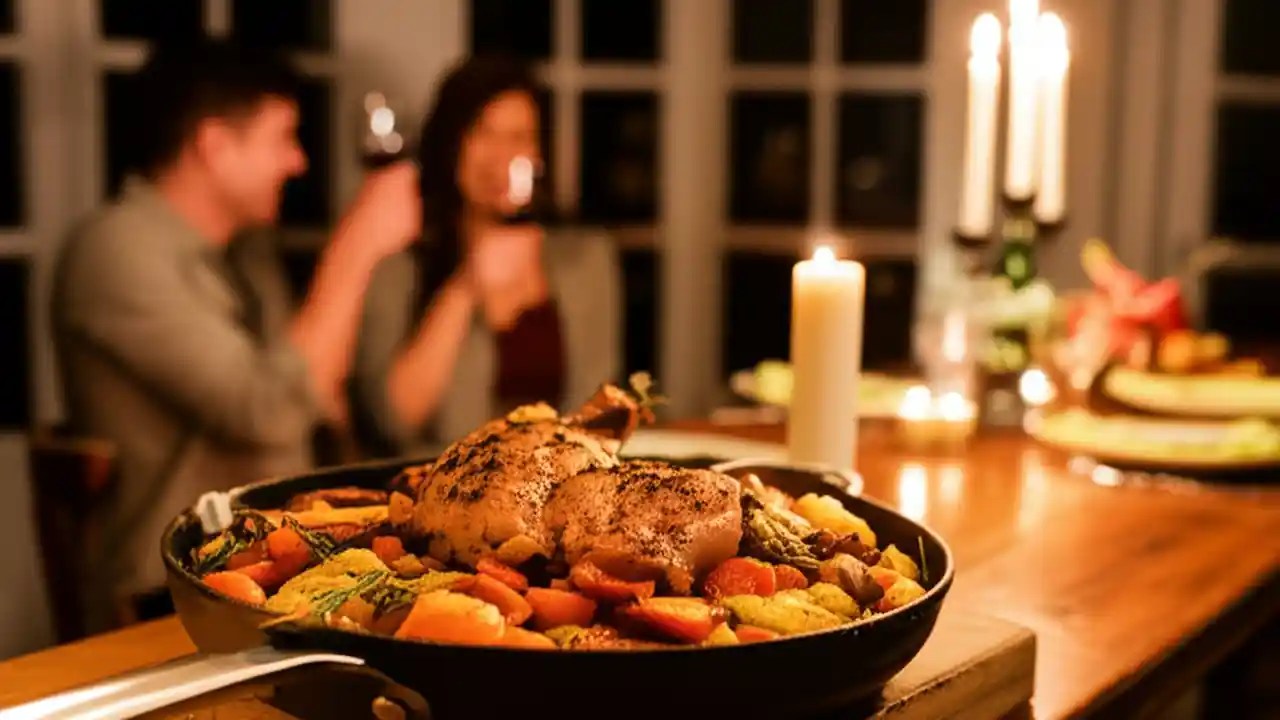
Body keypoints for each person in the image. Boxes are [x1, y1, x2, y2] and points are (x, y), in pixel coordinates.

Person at [52, 40, 420, 625]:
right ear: (214, 144)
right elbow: (267, 410)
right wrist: (359, 244)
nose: (298, 162)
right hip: (174, 584)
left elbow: (316, 393)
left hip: (274, 562)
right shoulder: (116, 251)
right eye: (283, 137)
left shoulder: (243, 255)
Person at [350, 58, 620, 454]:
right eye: (483, 133)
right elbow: (392, 420)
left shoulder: (586, 258)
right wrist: (465, 288)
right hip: (438, 484)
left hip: (557, 482)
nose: (501, 155)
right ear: (451, 144)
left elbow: (598, 413)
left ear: (540, 153)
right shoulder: (399, 266)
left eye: (519, 137)